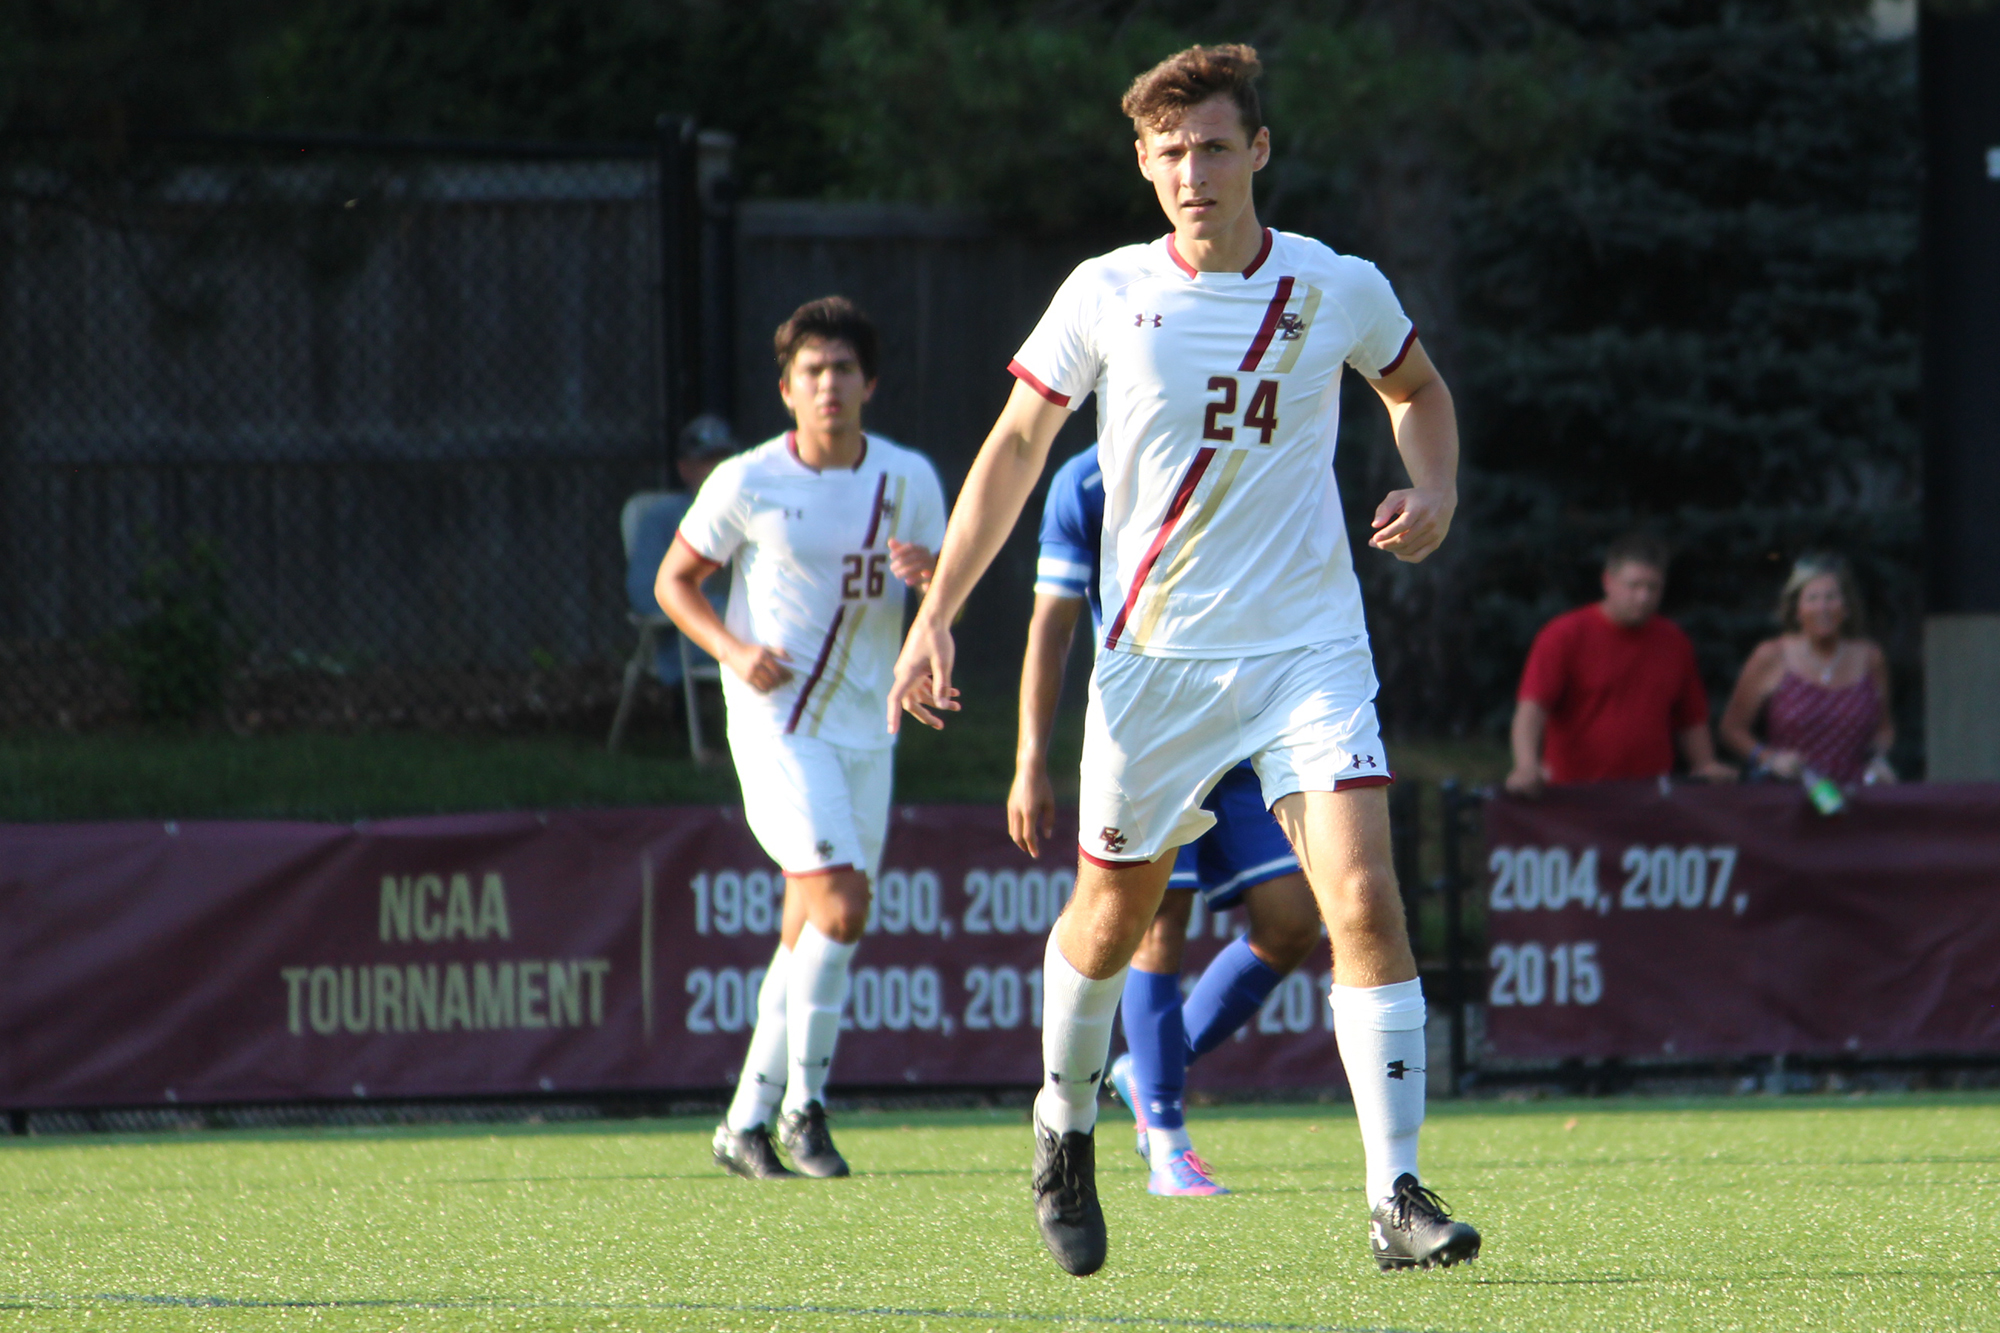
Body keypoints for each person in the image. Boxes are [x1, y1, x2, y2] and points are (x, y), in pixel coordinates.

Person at [887, 44, 1481, 1276]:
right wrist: (939, 607)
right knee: (1106, 921)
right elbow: (1010, 448)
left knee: (1358, 898)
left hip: (1308, 649)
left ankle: (1395, 1194)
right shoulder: (1103, 292)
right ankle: (1060, 1123)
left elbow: (1415, 388)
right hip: (1155, 663)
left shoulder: (1333, 285)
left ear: (1257, 151)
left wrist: (1434, 486)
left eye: (1212, 148)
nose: (1191, 173)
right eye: (1167, 154)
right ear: (1143, 165)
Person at [657, 296, 946, 1181]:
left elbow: (941, 601)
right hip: (780, 722)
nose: (830, 386)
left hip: (869, 723)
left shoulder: (907, 480)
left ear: (870, 383)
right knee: (845, 905)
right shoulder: (748, 480)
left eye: (844, 370)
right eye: (812, 372)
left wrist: (931, 586)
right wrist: (734, 651)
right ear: (787, 389)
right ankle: (805, 1111)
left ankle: (742, 1123)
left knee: (810, 925)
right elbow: (677, 581)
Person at [1009, 442, 1320, 1198]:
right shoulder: (1084, 482)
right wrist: (1030, 759)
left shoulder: (1245, 444)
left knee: (1295, 921)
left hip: (1246, 728)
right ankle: (1167, 1140)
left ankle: (1148, 1064)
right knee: (1156, 924)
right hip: (1151, 730)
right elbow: (1051, 627)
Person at [1505, 534, 1737, 797]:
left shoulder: (1674, 643)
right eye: (1634, 585)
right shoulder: (1564, 635)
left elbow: (1691, 718)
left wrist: (1704, 764)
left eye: (1653, 587)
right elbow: (1532, 709)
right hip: (1575, 798)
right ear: (1608, 582)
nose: (1643, 597)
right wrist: (1526, 765)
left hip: (1650, 798)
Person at [1718, 553, 1894, 788]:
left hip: (1854, 796)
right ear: (1797, 610)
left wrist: (1878, 761)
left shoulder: (1870, 657)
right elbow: (1732, 729)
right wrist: (1770, 758)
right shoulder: (1772, 656)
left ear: (1846, 607)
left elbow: (1884, 729)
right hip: (1788, 796)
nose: (1822, 608)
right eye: (1812, 598)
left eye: (1831, 597)